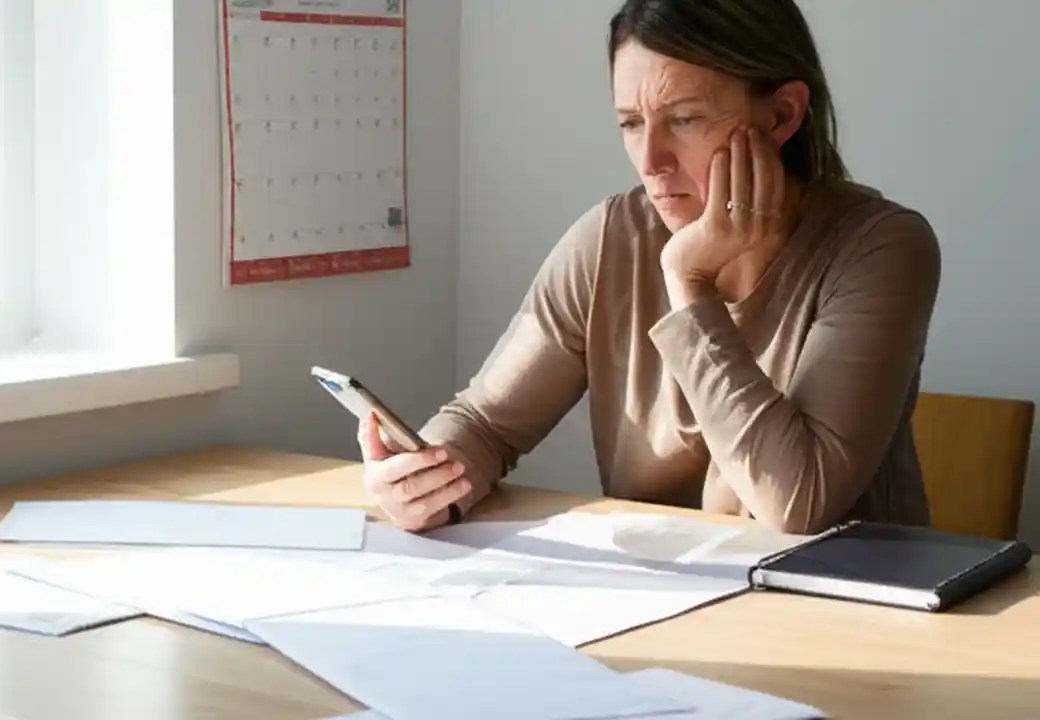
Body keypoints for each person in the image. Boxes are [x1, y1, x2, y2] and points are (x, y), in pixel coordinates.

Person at [357, 0, 941, 536]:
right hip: (659, 604)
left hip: (842, 615)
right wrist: (421, 479)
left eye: (684, 119)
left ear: (782, 114)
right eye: (631, 124)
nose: (650, 161)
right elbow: (486, 424)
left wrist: (690, 286)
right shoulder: (609, 237)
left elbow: (797, 501)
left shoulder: (883, 247)